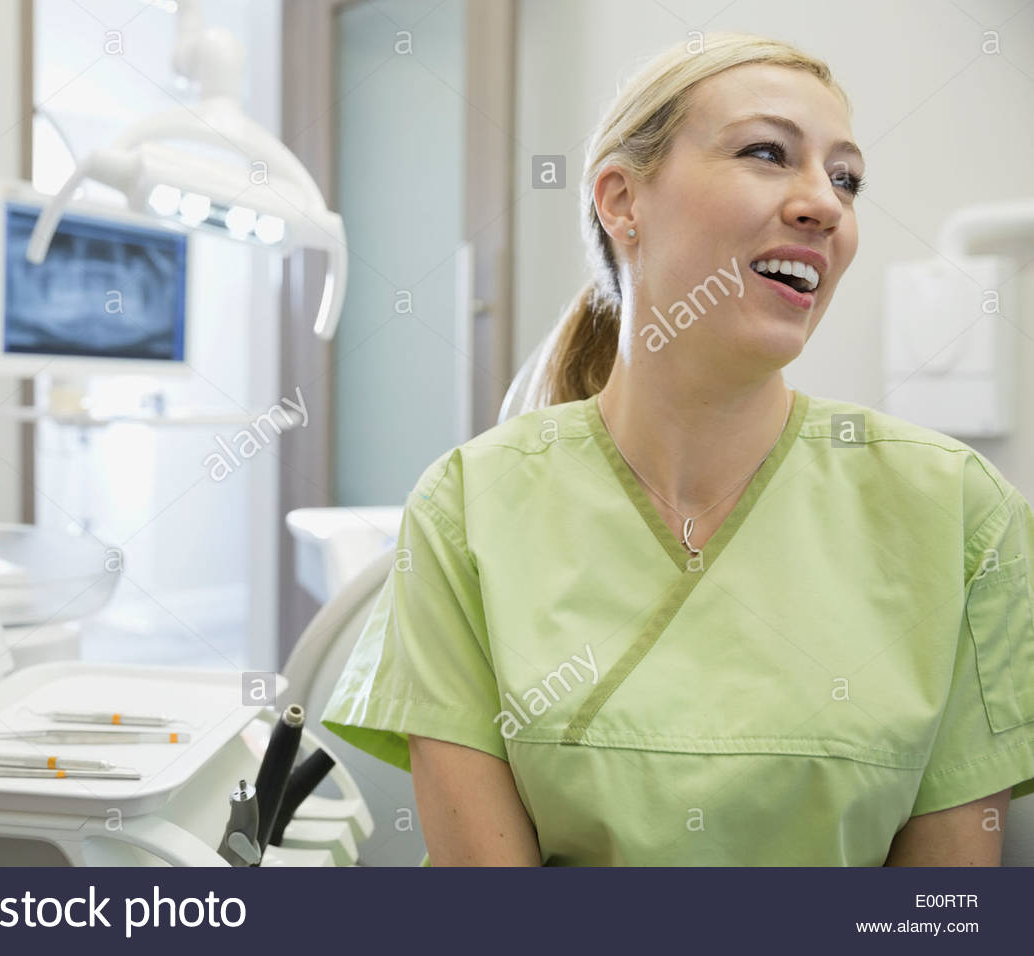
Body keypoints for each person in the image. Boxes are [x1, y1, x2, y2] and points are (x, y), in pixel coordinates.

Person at [319, 32, 1034, 866]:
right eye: (769, 153)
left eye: (846, 179)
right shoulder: (470, 508)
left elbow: (940, 915)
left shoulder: (956, 513)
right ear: (621, 200)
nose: (826, 206)